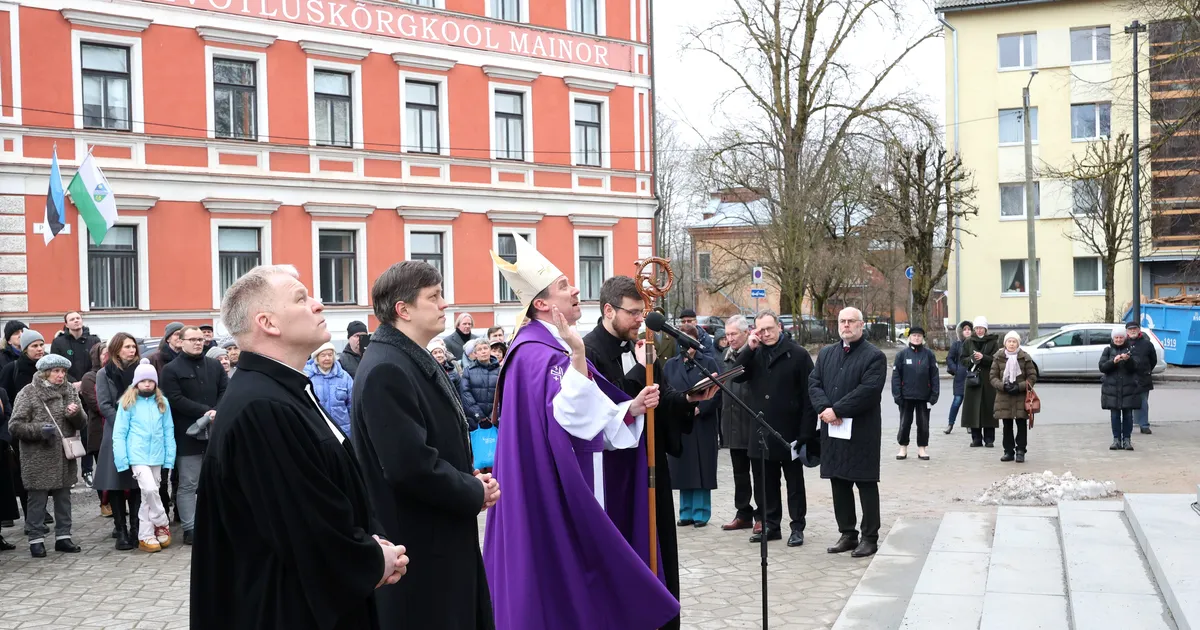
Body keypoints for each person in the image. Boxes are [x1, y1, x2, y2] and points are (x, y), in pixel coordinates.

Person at [191, 264, 408, 630]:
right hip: (285, 608)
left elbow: (328, 486)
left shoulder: (286, 390)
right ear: (269, 323)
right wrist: (372, 559)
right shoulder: (261, 406)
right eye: (301, 297)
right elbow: (303, 520)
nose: (318, 303)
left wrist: (373, 540)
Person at [485, 236, 680, 630]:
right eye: (562, 286)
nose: (575, 289)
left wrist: (630, 408)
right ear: (542, 304)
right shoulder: (538, 353)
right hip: (550, 492)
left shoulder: (546, 348)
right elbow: (571, 419)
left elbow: (584, 418)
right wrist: (577, 355)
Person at [350, 261, 496, 629]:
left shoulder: (404, 357)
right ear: (404, 309)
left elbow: (433, 440)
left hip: (437, 534)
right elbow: (409, 465)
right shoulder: (388, 367)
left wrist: (471, 476)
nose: (445, 304)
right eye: (434, 296)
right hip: (420, 545)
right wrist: (470, 490)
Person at [582, 276, 712, 630]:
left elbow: (659, 395)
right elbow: (604, 409)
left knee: (662, 549)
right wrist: (641, 369)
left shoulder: (641, 345)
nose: (640, 319)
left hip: (652, 462)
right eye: (633, 312)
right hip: (618, 473)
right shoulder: (587, 352)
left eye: (643, 312)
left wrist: (686, 400)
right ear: (609, 310)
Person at [735, 310, 818, 547]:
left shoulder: (799, 355)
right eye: (761, 330)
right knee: (765, 482)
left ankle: (797, 526)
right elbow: (736, 376)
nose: (766, 334)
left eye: (770, 328)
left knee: (794, 483)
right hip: (761, 431)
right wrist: (748, 349)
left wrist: (806, 434)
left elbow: (809, 396)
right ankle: (771, 525)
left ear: (780, 327)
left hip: (790, 431)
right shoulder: (754, 353)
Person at [809, 307, 887, 559]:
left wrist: (837, 409)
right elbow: (814, 383)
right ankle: (847, 534)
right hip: (833, 430)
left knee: (865, 482)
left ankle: (870, 537)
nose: (846, 325)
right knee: (838, 481)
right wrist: (824, 408)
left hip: (861, 430)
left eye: (851, 321)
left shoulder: (874, 356)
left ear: (861, 325)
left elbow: (869, 390)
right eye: (842, 321)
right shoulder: (827, 353)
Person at [8, 353, 88, 557]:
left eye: (63, 371)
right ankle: (36, 539)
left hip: (63, 455)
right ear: (45, 373)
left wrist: (75, 414)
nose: (61, 375)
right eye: (56, 371)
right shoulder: (28, 392)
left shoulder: (69, 390)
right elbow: (15, 426)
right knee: (37, 498)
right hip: (37, 456)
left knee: (64, 497)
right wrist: (39, 430)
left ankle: (64, 537)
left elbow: (82, 422)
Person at [161, 326, 228, 545]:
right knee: (189, 483)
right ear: (180, 342)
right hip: (187, 435)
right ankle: (190, 527)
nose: (198, 343)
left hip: (216, 432)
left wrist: (217, 410)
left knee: (216, 482)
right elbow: (174, 398)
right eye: (193, 339)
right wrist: (204, 411)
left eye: (201, 339)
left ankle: (215, 524)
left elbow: (224, 391)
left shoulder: (215, 366)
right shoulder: (171, 369)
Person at [112, 359, 176, 552]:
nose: (147, 384)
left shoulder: (162, 402)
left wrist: (169, 459)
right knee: (149, 490)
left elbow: (168, 430)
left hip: (157, 455)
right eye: (143, 380)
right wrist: (122, 460)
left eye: (151, 380)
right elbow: (119, 433)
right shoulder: (127, 402)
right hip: (137, 455)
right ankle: (162, 522)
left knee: (148, 498)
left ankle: (146, 536)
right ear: (136, 382)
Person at [665, 323, 721, 528]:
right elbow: (666, 391)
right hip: (681, 421)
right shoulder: (670, 365)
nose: (685, 347)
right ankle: (685, 512)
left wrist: (701, 408)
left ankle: (701, 513)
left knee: (701, 468)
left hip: (702, 423)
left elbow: (718, 391)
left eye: (689, 342)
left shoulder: (708, 363)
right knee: (682, 469)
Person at [95, 333, 142, 551]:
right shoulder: (104, 373)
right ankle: (120, 531)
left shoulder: (142, 372)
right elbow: (104, 404)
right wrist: (124, 425)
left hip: (141, 432)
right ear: (116, 349)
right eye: (126, 347)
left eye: (133, 346)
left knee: (136, 483)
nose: (131, 350)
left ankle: (136, 529)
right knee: (115, 482)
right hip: (115, 432)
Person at [718, 315, 760, 533]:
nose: (730, 339)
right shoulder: (723, 357)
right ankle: (743, 513)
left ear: (746, 333)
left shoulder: (756, 354)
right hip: (732, 423)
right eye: (727, 335)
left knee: (759, 473)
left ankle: (762, 515)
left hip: (753, 422)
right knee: (739, 473)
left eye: (734, 334)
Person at [892, 326, 939, 461]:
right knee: (904, 423)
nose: (916, 338)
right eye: (914, 336)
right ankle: (903, 447)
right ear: (909, 338)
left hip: (924, 396)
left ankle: (922, 449)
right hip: (906, 396)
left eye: (919, 336)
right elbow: (896, 377)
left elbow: (934, 376)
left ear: (923, 338)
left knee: (923, 424)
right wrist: (897, 396)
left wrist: (934, 395)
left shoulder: (929, 355)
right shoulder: (901, 355)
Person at [989, 331, 1037, 463]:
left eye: (1014, 341)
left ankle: (1020, 451)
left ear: (1018, 343)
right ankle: (1008, 451)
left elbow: (1032, 377)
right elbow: (993, 377)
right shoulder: (998, 357)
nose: (1011, 344)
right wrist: (1003, 386)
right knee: (1007, 425)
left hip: (1021, 396)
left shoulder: (1025, 357)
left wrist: (1020, 386)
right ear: (1005, 343)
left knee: (1021, 424)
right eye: (1009, 341)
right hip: (1004, 396)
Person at [960, 317, 999, 448]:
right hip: (973, 379)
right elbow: (962, 359)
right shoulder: (968, 342)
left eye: (981, 328)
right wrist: (972, 359)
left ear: (986, 329)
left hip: (988, 379)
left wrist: (984, 358)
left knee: (988, 408)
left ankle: (989, 439)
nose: (979, 330)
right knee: (973, 409)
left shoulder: (993, 342)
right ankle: (976, 438)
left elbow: (996, 359)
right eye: (977, 328)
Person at [1100, 328, 1141, 452]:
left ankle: (1127, 440)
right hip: (1112, 389)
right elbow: (1102, 367)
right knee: (1115, 416)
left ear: (1125, 338)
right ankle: (1116, 439)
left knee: (1128, 415)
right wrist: (1113, 361)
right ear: (1113, 339)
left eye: (1121, 337)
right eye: (1116, 337)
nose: (1118, 340)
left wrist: (1128, 360)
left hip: (1128, 388)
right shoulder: (1107, 351)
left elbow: (1136, 367)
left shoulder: (1131, 350)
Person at [304, 342, 353, 438]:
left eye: (330, 355)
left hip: (343, 432)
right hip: (318, 431)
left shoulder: (344, 377)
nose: (327, 358)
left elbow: (352, 404)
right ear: (316, 358)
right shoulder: (307, 377)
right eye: (323, 355)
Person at [80, 343, 105, 496]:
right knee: (103, 469)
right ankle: (105, 502)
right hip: (99, 430)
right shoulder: (90, 377)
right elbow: (96, 404)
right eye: (104, 353)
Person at [459, 336, 500, 431]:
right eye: (479, 349)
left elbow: (504, 395)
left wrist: (494, 415)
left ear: (490, 350)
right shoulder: (468, 371)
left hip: (497, 421)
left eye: (485, 348)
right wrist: (479, 416)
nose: (483, 351)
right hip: (475, 421)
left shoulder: (500, 371)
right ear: (475, 353)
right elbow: (466, 394)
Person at [49, 312, 102, 383]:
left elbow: (98, 364)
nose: (76, 320)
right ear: (66, 325)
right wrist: (72, 382)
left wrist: (85, 381)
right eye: (72, 319)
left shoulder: (94, 340)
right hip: (66, 384)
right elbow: (55, 365)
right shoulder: (58, 342)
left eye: (78, 318)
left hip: (91, 382)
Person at [1126, 321, 1157, 435]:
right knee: (1127, 402)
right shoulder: (1124, 343)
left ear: (1139, 330)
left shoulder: (1147, 344)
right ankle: (1128, 424)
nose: (1133, 330)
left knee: (1143, 402)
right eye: (1130, 329)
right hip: (1127, 377)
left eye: (1135, 328)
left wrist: (1146, 370)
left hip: (1143, 377)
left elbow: (1153, 360)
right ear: (1127, 331)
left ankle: (1144, 425)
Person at [944, 321, 972, 434]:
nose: (967, 331)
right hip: (960, 378)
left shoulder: (975, 344)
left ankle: (969, 424)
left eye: (969, 329)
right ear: (961, 332)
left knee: (969, 403)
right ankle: (950, 424)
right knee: (957, 401)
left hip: (972, 377)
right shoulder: (957, 344)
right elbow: (949, 358)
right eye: (965, 329)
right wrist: (955, 369)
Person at [0, 386, 18, 547]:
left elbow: (8, 417)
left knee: (2, 495)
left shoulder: (2, 392)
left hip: (1, 449)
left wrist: (4, 439)